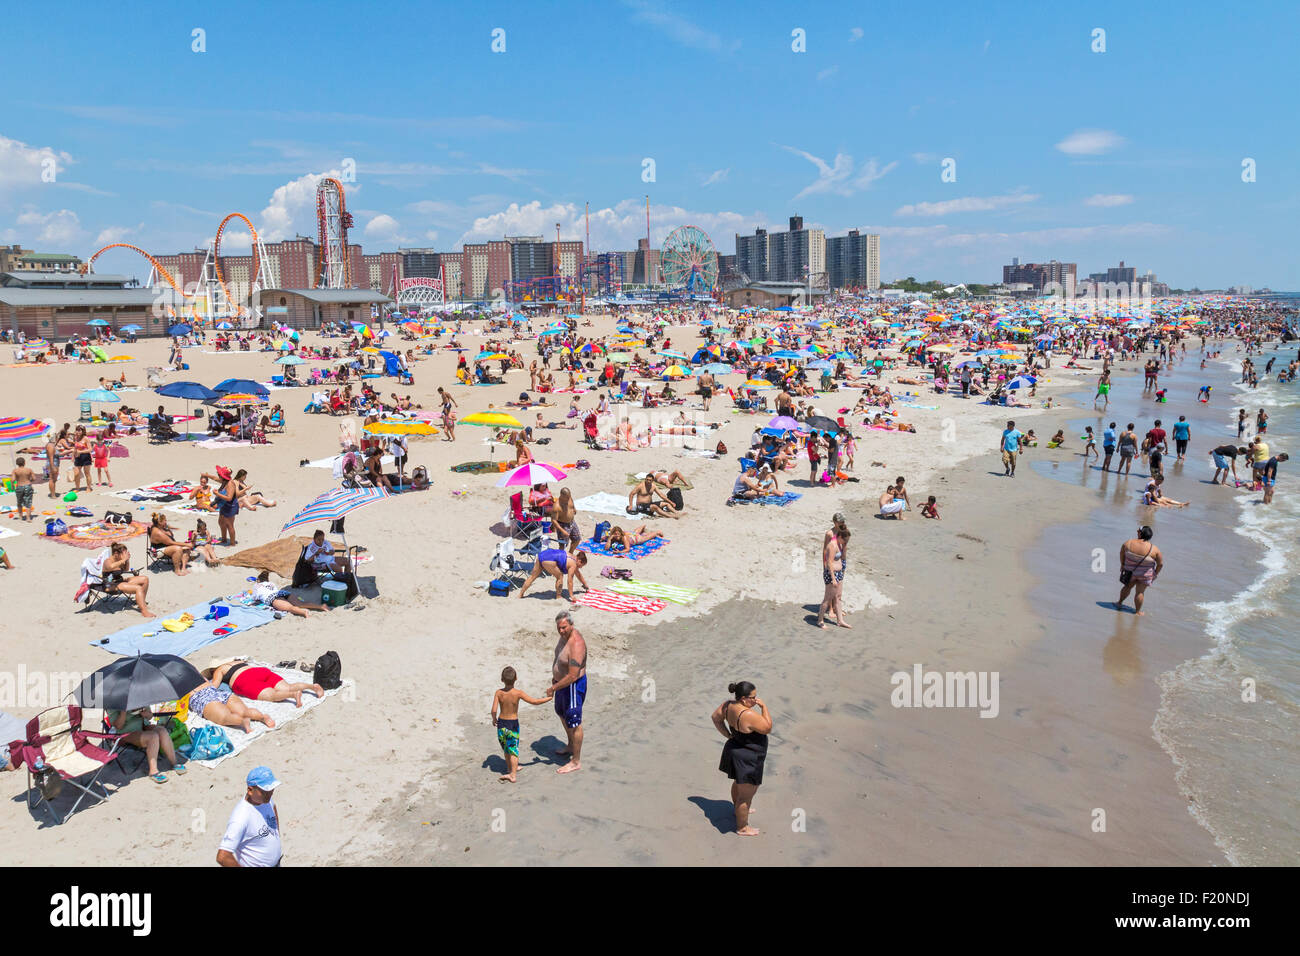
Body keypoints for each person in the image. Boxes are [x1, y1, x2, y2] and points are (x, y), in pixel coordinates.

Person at [711, 681, 772, 836]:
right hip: (748, 757)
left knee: (738, 784)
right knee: (745, 797)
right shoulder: (749, 714)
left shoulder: (727, 706)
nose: (756, 699)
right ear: (744, 699)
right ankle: (742, 827)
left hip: (736, 750)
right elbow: (767, 727)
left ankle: (739, 808)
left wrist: (727, 735)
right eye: (754, 697)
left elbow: (715, 717)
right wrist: (764, 707)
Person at [490, 666, 552, 783]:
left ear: (502, 679)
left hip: (501, 724)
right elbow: (534, 701)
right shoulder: (518, 693)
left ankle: (510, 768)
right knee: (513, 749)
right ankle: (513, 775)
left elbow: (493, 710)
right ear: (516, 678)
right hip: (512, 724)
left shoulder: (498, 693)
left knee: (506, 748)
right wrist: (549, 698)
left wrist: (494, 719)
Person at [546, 611, 587, 774]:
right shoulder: (563, 637)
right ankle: (571, 745)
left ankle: (576, 761)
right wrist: (554, 679)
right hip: (561, 684)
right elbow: (559, 660)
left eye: (564, 627)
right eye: (559, 628)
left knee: (574, 721)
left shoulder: (576, 644)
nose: (561, 631)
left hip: (572, 686)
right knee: (562, 713)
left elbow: (572, 675)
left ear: (571, 625)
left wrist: (554, 688)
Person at [217, 766, 283, 867]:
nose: (270, 793)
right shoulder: (240, 818)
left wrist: (276, 834)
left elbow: (273, 807)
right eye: (265, 790)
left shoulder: (265, 799)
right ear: (250, 790)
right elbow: (223, 856)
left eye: (271, 788)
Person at [107, 707, 186, 783]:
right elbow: (118, 726)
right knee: (153, 736)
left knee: (162, 731)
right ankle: (153, 772)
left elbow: (150, 716)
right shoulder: (114, 703)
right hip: (125, 733)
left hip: (143, 726)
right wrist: (123, 712)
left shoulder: (139, 697)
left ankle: (174, 763)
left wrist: (145, 714)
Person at [206, 657, 325, 707]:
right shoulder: (237, 661)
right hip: (260, 672)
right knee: (288, 686)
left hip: (244, 680)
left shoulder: (219, 670)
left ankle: (293, 695)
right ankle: (312, 686)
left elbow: (214, 686)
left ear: (213, 669)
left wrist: (208, 681)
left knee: (271, 695)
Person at [187, 672, 275, 733]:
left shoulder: (177, 688)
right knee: (244, 711)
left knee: (225, 717)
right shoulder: (196, 674)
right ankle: (262, 717)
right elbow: (213, 684)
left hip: (201, 699)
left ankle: (242, 721)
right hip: (216, 691)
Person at [1115, 525, 1163, 616]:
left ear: (1141, 533)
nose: (1137, 531)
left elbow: (1122, 553)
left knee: (1127, 587)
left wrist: (1122, 564)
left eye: (1138, 531)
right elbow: (1160, 564)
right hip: (1145, 575)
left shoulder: (1128, 543)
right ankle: (1137, 612)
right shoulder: (1154, 549)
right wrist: (1155, 574)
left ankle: (1119, 603)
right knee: (1140, 592)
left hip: (1130, 571)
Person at [516, 547, 588, 601]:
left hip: (542, 555)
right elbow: (570, 581)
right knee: (560, 576)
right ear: (579, 560)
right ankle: (558, 596)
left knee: (532, 577)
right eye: (582, 565)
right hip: (550, 560)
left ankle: (520, 594)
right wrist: (572, 595)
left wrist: (585, 585)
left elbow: (578, 574)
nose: (581, 567)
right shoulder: (573, 564)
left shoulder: (572, 557)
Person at [102, 542, 152, 616]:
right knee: (138, 588)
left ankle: (141, 601)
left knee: (145, 579)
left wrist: (127, 560)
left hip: (119, 581)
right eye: (124, 553)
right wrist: (123, 560)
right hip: (110, 585)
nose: (125, 555)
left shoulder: (119, 560)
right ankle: (144, 611)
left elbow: (125, 569)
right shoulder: (108, 561)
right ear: (116, 553)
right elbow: (110, 567)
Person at [817, 524, 849, 629]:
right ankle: (820, 620)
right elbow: (829, 563)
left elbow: (840, 559)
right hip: (831, 575)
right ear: (840, 537)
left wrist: (842, 570)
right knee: (827, 598)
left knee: (838, 597)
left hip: (838, 573)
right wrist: (833, 578)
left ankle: (840, 621)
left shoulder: (840, 545)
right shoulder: (832, 545)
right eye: (845, 540)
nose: (846, 543)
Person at [213, 465, 242, 545]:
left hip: (230, 506)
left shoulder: (230, 484)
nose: (218, 476)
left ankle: (232, 543)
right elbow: (215, 479)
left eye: (219, 475)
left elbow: (229, 498)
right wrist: (207, 475)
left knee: (229, 525)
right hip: (224, 505)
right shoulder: (224, 482)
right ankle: (224, 539)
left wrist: (217, 494)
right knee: (221, 522)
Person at [552, 487, 581, 554]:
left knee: (577, 539)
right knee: (563, 545)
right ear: (562, 496)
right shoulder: (556, 506)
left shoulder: (569, 498)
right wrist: (562, 530)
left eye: (569, 496)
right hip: (562, 525)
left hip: (572, 522)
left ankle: (570, 553)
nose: (569, 498)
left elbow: (572, 504)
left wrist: (574, 508)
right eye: (567, 497)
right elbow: (554, 520)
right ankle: (560, 558)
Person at [10, 457, 35, 522]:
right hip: (28, 486)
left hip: (19, 486)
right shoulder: (29, 470)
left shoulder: (15, 470)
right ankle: (28, 518)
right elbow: (34, 478)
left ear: (17, 463)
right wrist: (30, 480)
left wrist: (12, 486)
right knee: (28, 502)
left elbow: (12, 479)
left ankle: (20, 517)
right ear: (24, 463)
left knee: (19, 502)